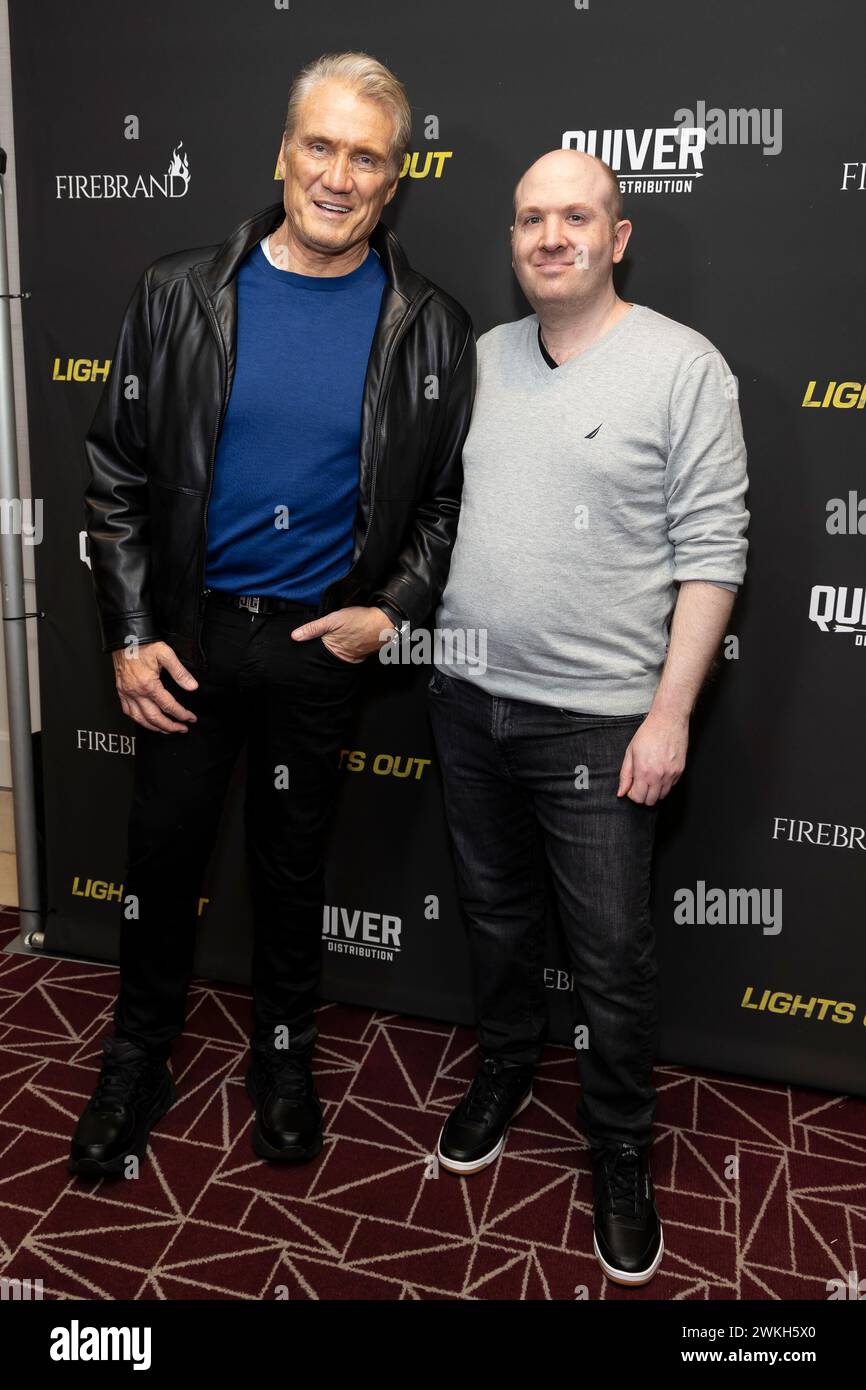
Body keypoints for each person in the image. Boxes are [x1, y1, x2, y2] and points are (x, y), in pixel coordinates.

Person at [74, 50, 475, 1177]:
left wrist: (387, 612)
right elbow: (114, 468)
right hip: (190, 642)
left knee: (294, 878)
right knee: (161, 867)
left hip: (317, 648)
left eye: (366, 157)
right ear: (280, 151)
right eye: (320, 144)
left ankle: (283, 1061)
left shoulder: (428, 329)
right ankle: (136, 1058)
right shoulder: (176, 292)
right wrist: (129, 630)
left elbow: (443, 501)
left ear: (392, 182)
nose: (338, 175)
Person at [427, 149, 748, 1286]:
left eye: (574, 216)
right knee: (494, 919)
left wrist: (667, 716)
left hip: (601, 726)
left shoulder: (679, 367)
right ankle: (504, 1068)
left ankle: (619, 1148)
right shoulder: (477, 362)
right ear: (511, 239)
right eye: (528, 219)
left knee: (610, 958)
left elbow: (712, 554)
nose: (548, 235)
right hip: (465, 701)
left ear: (617, 236)